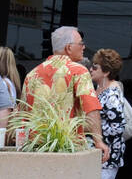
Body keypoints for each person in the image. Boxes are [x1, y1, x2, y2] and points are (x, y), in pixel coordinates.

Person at [20, 26, 109, 163]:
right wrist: (98, 141)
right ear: (68, 48)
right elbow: (90, 107)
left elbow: (23, 116)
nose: (84, 47)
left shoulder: (32, 75)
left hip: (35, 150)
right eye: (81, 43)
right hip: (68, 150)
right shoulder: (78, 71)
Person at [90, 48, 126, 179]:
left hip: (107, 153)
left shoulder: (111, 93)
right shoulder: (100, 88)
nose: (91, 69)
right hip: (104, 151)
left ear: (105, 71)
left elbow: (117, 126)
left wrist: (97, 135)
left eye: (95, 66)